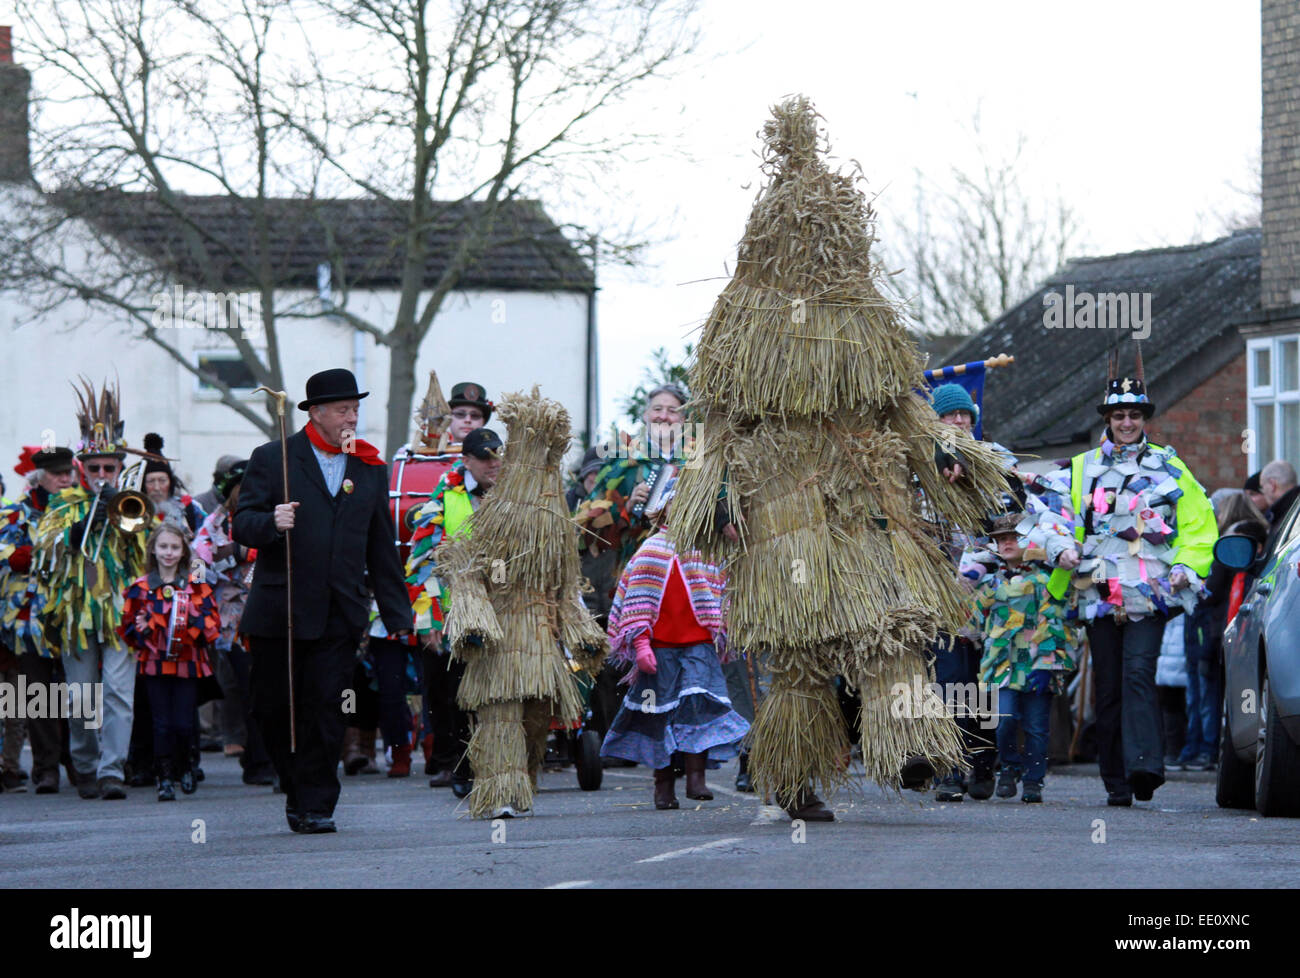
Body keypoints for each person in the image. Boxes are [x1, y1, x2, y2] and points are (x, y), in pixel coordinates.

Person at [233, 368, 412, 834]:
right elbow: (242, 524)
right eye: (341, 410)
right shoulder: (275, 458)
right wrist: (271, 521)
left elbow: (380, 544)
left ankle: (317, 801)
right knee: (272, 708)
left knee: (326, 707)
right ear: (315, 413)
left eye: (355, 409)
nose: (351, 418)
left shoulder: (369, 468)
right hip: (280, 610)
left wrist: (398, 614)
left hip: (340, 609)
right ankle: (294, 786)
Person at [1042, 349, 1217, 806]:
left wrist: (1186, 567)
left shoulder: (1170, 466)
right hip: (1098, 588)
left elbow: (1199, 525)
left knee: (1140, 672)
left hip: (1149, 589)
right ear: (1108, 418)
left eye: (1133, 415)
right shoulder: (1080, 468)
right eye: (1119, 415)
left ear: (1144, 418)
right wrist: (1061, 547)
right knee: (1109, 682)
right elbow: (1051, 514)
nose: (1126, 423)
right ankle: (1115, 780)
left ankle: (1145, 766)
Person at [600, 481, 749, 809]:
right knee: (657, 713)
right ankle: (663, 783)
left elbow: (722, 590)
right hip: (659, 648)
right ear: (663, 508)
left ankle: (697, 777)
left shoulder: (705, 550)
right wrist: (640, 644)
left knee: (697, 706)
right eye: (674, 503)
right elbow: (635, 600)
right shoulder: (651, 549)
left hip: (698, 645)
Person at [33, 382, 149, 800]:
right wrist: (81, 527)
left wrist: (118, 514)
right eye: (95, 469)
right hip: (77, 615)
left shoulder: (130, 502)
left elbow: (146, 552)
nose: (102, 476)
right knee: (81, 697)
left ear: (119, 470)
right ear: (82, 468)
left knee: (120, 694)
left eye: (109, 469)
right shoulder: (62, 504)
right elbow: (45, 554)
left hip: (120, 612)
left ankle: (112, 770)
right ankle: (84, 764)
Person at [405, 426, 504, 794]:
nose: (493, 464)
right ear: (465, 461)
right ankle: (457, 766)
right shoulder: (442, 500)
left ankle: (495, 765)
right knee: (450, 693)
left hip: (501, 611)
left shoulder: (514, 499)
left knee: (493, 692)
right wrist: (428, 618)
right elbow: (420, 562)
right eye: (484, 458)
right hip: (451, 615)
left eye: (497, 456)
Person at [968, 511, 1079, 803]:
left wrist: (1047, 665)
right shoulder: (989, 581)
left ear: (1028, 541)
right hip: (1002, 664)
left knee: (1036, 726)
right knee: (1003, 720)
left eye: (1013, 538)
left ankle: (1033, 780)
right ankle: (1008, 766)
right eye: (1001, 539)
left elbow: (1055, 621)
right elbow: (976, 621)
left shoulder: (1047, 579)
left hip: (1036, 662)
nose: (1006, 543)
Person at [119, 523, 221, 801]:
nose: (168, 552)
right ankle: (163, 777)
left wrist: (191, 625)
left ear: (183, 551)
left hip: (188, 662)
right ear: (153, 549)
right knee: (161, 722)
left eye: (175, 547)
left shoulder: (196, 584)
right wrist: (144, 630)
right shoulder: (139, 587)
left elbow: (212, 623)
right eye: (163, 546)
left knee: (184, 722)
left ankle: (186, 767)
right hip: (154, 664)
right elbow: (127, 628)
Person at [0, 446, 77, 793]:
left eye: (68, 473)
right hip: (28, 617)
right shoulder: (15, 512)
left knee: (78, 691)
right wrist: (50, 552)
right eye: (59, 474)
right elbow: (10, 557)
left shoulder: (81, 509)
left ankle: (79, 763)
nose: (66, 478)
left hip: (75, 613)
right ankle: (46, 768)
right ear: (39, 477)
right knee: (37, 691)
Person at [193, 460, 275, 784]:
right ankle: (256, 761)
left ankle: (270, 757)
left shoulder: (271, 518)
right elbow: (198, 569)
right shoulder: (214, 524)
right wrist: (234, 554)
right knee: (248, 688)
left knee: (269, 688)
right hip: (231, 622)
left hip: (270, 612)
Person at [1175, 491, 1269, 771]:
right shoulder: (1258, 537)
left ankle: (1204, 749)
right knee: (1212, 690)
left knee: (1205, 691)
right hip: (1225, 626)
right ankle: (1203, 748)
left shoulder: (1230, 543)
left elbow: (1212, 590)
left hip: (1212, 628)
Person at [141, 434, 206, 533]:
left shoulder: (189, 507)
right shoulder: (134, 510)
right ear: (143, 485)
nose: (157, 488)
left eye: (162, 480)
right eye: (151, 481)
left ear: (170, 483)